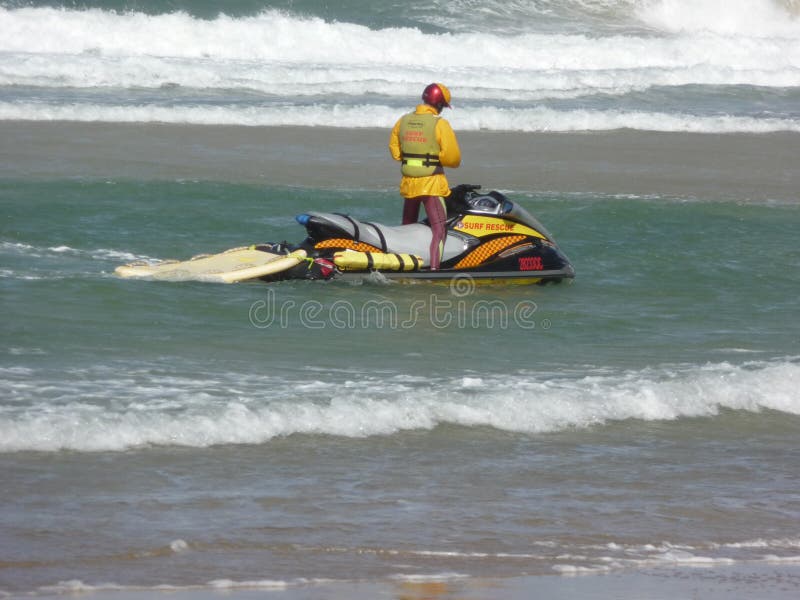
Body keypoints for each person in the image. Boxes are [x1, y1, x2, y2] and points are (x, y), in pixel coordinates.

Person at [389, 83, 461, 271]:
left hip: (409, 184)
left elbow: (395, 152)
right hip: (432, 185)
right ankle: (435, 270)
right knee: (439, 230)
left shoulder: (403, 121)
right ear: (439, 104)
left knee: (407, 229)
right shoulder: (440, 124)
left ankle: (405, 266)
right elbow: (453, 158)